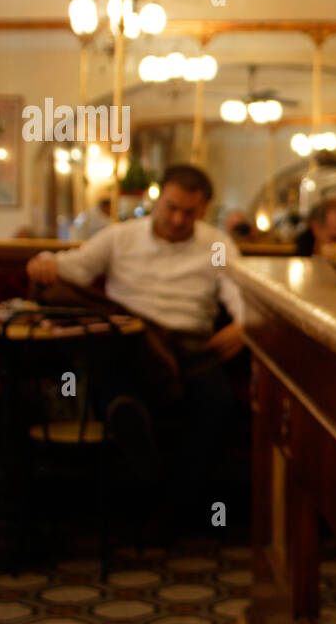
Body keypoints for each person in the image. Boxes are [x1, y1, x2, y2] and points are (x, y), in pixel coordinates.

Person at [26, 164, 245, 535]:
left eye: (188, 212)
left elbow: (238, 291)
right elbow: (74, 269)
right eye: (171, 207)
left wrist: (243, 325)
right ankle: (131, 420)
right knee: (110, 351)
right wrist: (45, 261)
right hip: (128, 339)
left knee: (218, 403)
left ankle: (170, 504)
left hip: (190, 347)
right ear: (157, 198)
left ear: (204, 210)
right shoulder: (119, 237)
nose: (177, 219)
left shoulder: (217, 246)